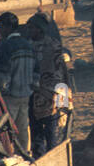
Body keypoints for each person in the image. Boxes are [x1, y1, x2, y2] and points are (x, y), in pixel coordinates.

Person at [0, 13, 36, 155]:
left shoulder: (6, 47)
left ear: (8, 27)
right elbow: (36, 71)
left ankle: (9, 155)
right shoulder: (28, 45)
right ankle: (25, 154)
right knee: (23, 128)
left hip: (10, 96)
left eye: (1, 27)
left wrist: (2, 90)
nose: (0, 30)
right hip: (26, 94)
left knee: (6, 129)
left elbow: (1, 74)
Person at [27, 13, 71, 158]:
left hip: (51, 99)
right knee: (36, 135)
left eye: (32, 28)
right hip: (34, 97)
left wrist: (63, 103)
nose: (29, 31)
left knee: (52, 135)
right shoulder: (29, 47)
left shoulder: (52, 47)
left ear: (40, 29)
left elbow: (62, 75)